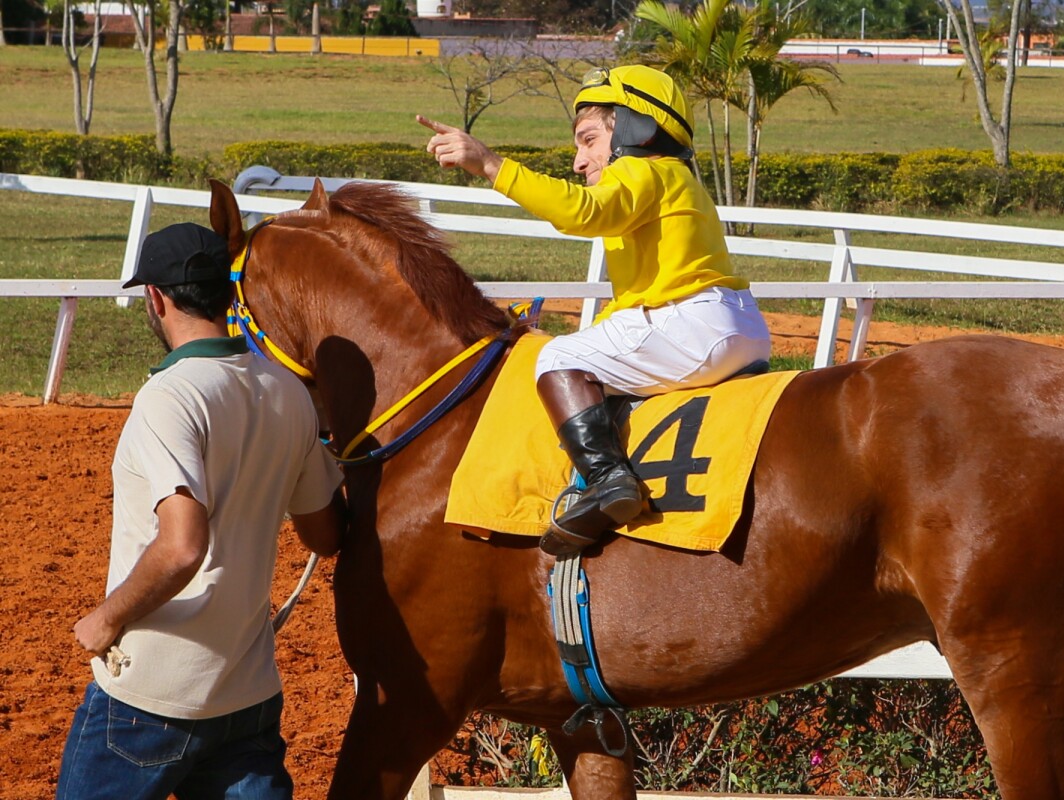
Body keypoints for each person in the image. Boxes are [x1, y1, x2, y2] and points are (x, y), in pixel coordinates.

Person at [419, 64, 771, 556]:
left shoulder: (644, 169)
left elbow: (580, 212)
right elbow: (631, 307)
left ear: (632, 129)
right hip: (735, 326)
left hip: (694, 324)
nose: (579, 162)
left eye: (589, 140)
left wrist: (490, 165)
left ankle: (608, 482)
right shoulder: (673, 181)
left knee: (557, 359)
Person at [56, 222, 346, 800]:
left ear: (156, 298)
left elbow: (183, 546)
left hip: (151, 696)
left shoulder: (168, 397)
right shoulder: (286, 390)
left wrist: (108, 618)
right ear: (229, 295)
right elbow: (327, 534)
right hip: (247, 697)